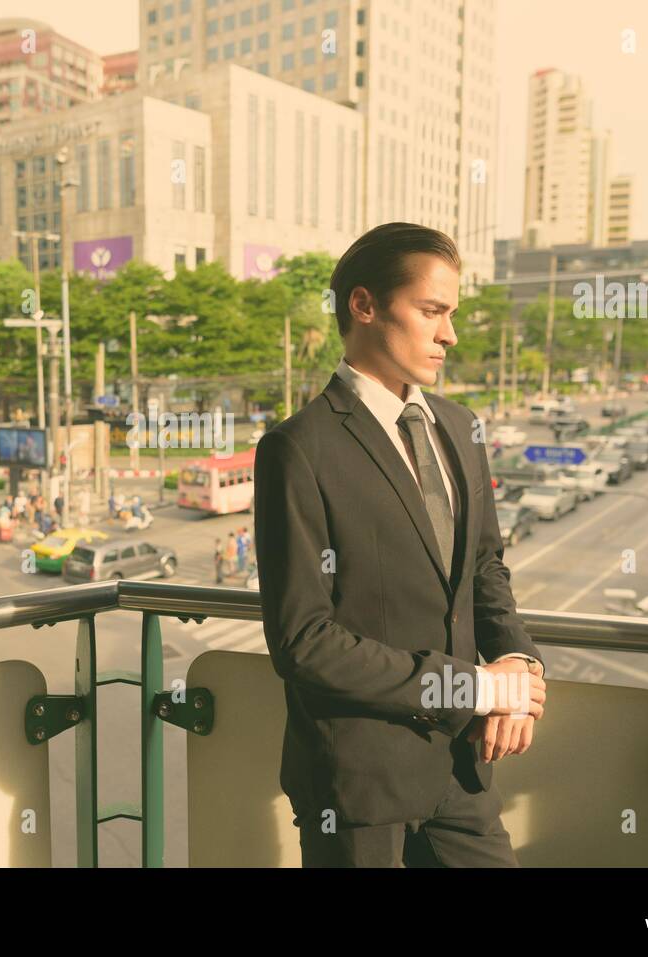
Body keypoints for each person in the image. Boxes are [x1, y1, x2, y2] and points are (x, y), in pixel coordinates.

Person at [254, 223, 546, 868]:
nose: (451, 335)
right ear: (364, 306)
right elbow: (303, 640)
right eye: (432, 311)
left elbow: (483, 569)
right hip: (357, 782)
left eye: (452, 314)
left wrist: (520, 668)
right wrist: (468, 688)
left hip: (461, 769)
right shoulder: (298, 448)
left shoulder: (459, 426)